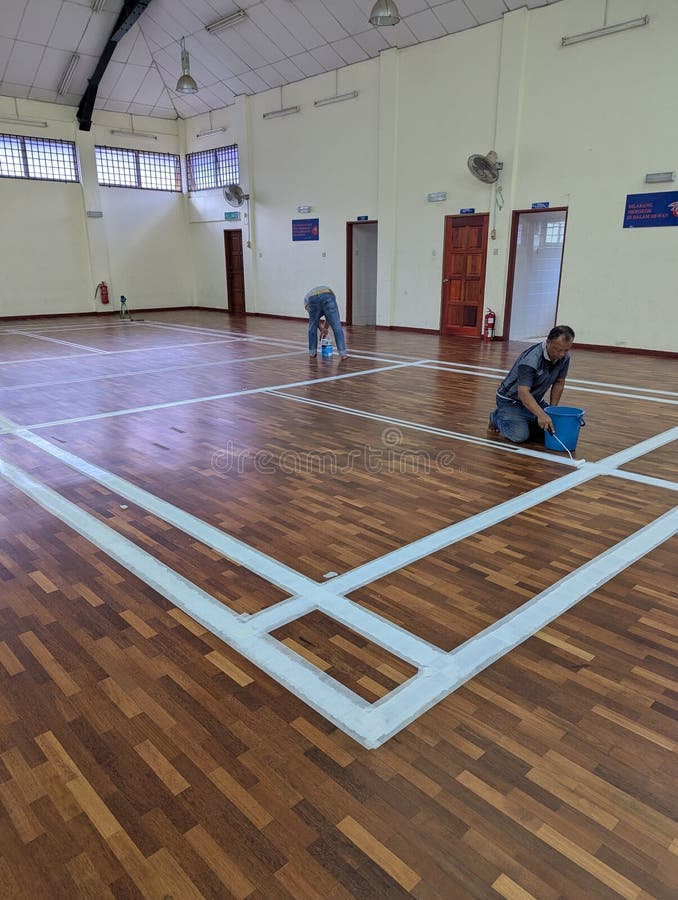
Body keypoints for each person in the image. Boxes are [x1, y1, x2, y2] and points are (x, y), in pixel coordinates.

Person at [488, 325, 575, 443]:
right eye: (559, 350)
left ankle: (525, 419)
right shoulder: (531, 360)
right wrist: (541, 414)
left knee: (552, 429)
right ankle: (496, 417)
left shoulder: (564, 357)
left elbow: (559, 382)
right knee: (520, 436)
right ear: (548, 342)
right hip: (511, 401)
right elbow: (523, 392)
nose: (562, 355)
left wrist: (552, 410)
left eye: (566, 350)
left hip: (534, 399)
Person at [304, 286, 348, 359]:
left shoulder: (306, 301)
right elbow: (330, 318)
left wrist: (322, 330)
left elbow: (314, 321)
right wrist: (323, 330)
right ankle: (343, 354)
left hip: (313, 298)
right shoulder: (329, 293)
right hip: (328, 294)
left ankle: (312, 353)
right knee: (337, 326)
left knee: (312, 327)